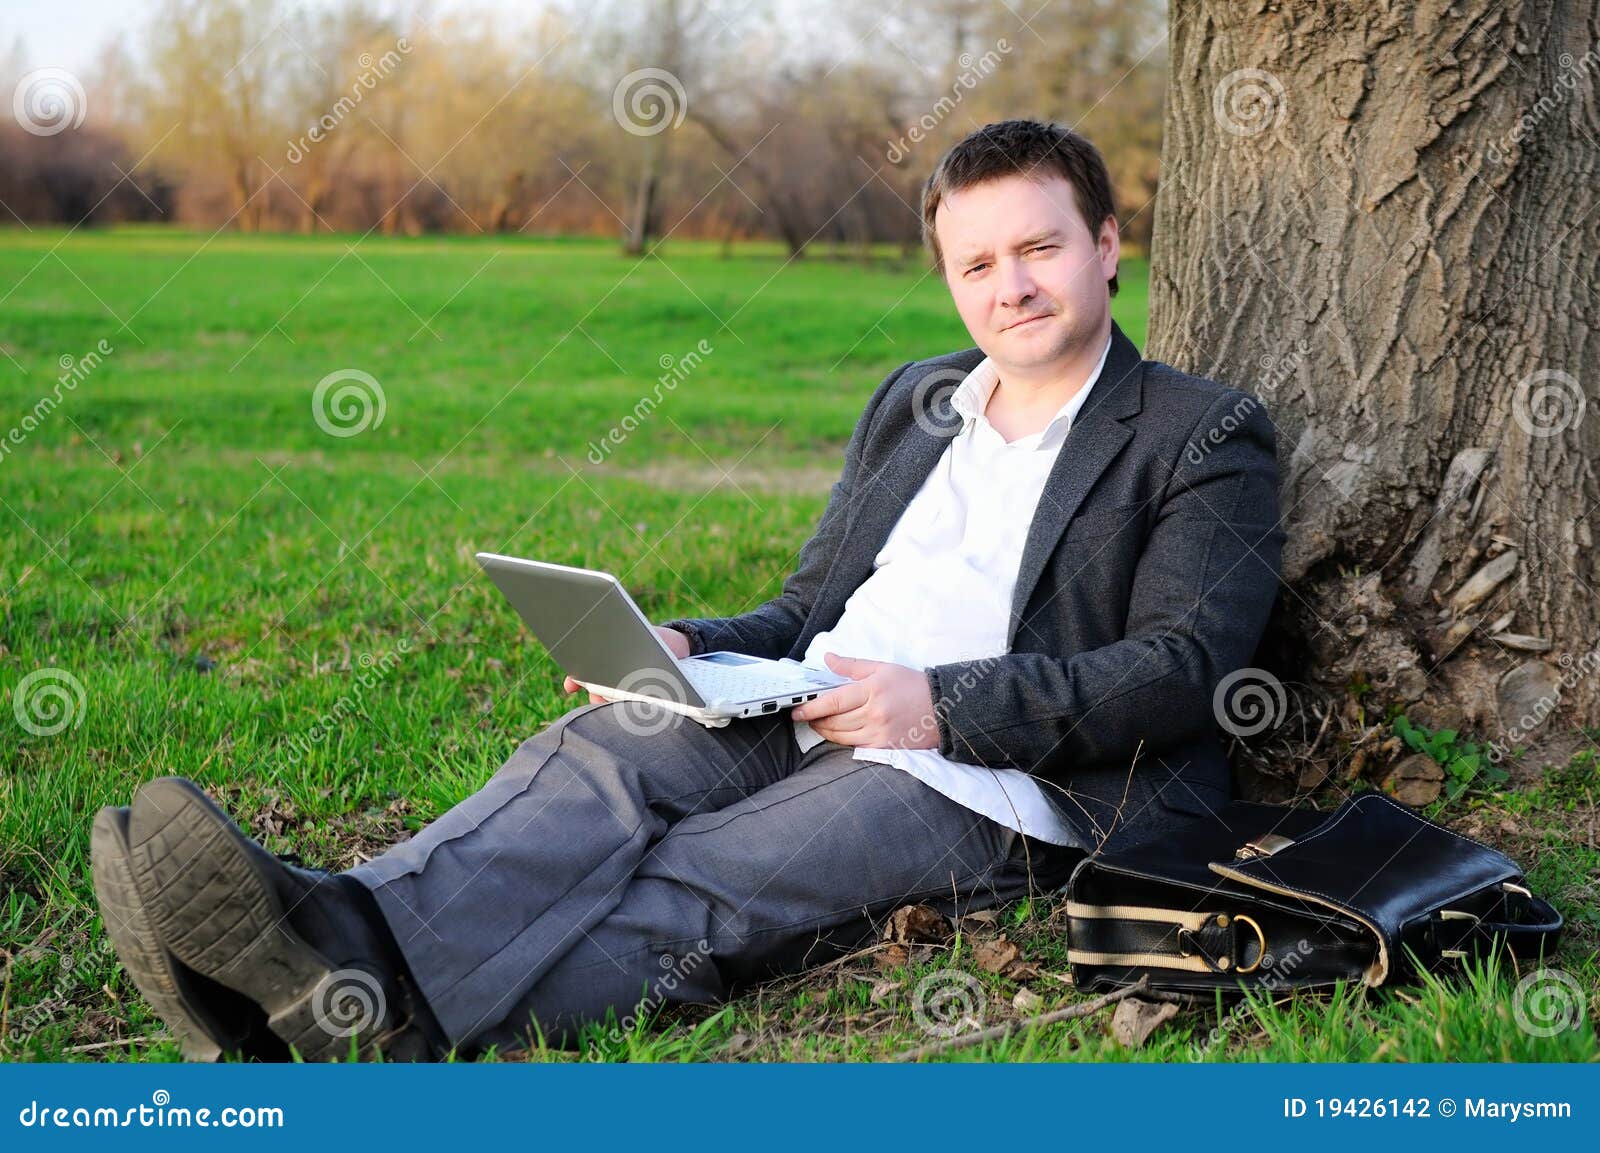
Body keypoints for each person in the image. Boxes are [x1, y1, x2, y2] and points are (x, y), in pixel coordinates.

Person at [91, 118, 1285, 1062]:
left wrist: (938, 706)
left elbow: (1187, 670)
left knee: (705, 868)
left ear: (1107, 245)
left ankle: (360, 1029)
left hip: (993, 775)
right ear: (947, 279)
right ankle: (334, 935)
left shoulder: (1195, 431)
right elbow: (808, 601)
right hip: (808, 694)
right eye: (975, 263)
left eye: (1038, 249)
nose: (1009, 287)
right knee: (604, 750)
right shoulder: (917, 399)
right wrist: (684, 647)